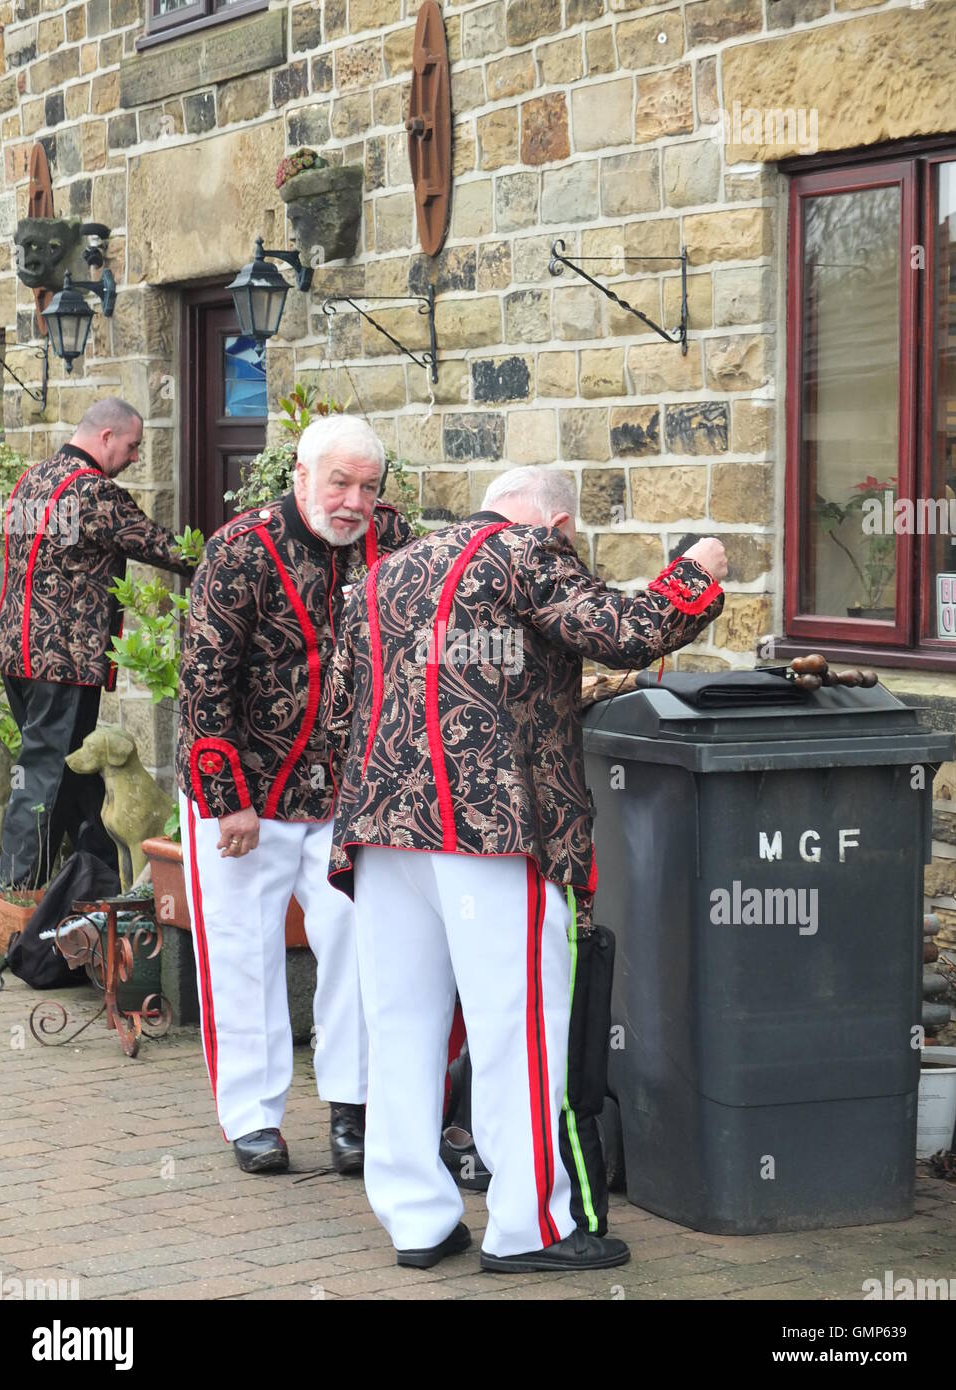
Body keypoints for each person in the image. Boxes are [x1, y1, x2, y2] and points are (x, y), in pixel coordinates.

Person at [323, 466, 727, 1271]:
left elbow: (341, 708)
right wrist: (696, 570)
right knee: (518, 1029)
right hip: (489, 832)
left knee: (401, 1028)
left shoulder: (383, 570)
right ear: (560, 524)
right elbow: (624, 630)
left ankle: (417, 1221)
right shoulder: (525, 552)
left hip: (379, 828)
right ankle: (527, 1227)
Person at [176, 414, 411, 1176]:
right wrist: (226, 797)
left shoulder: (396, 540)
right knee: (243, 951)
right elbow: (204, 678)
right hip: (247, 792)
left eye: (367, 487)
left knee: (357, 943)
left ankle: (353, 1107)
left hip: (348, 793)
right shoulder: (239, 549)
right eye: (339, 482)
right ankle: (253, 1117)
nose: (352, 501)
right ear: (301, 476)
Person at [0, 397, 195, 901]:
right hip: (64, 660)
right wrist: (233, 558)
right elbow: (162, 547)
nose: (136, 457)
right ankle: (10, 898)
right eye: (133, 445)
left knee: (71, 770)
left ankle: (99, 877)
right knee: (40, 774)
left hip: (16, 652)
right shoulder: (94, 491)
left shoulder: (30, 481)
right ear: (105, 437)